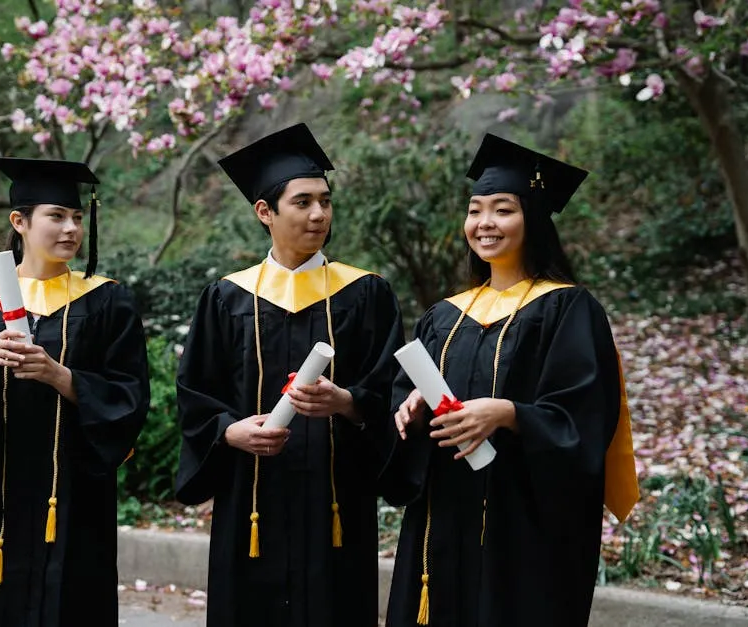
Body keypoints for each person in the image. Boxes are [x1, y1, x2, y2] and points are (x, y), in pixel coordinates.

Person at [382, 134, 639, 627]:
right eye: (475, 210)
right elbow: (408, 401)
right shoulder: (444, 316)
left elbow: (585, 415)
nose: (484, 224)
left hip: (523, 523)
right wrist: (410, 408)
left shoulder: (567, 308)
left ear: (534, 218)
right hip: (444, 518)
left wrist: (508, 413)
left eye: (503, 210)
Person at [175, 123, 405, 627]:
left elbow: (392, 390)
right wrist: (229, 431)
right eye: (302, 202)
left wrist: (347, 401)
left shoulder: (365, 293)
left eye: (325, 200)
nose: (319, 214)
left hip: (338, 500)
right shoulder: (227, 297)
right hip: (251, 501)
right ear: (265, 212)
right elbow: (195, 394)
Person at [0, 157, 150, 627]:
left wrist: (61, 375)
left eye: (77, 218)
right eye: (56, 216)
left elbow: (130, 397)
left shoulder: (106, 303)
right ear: (19, 222)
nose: (71, 229)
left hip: (73, 499)